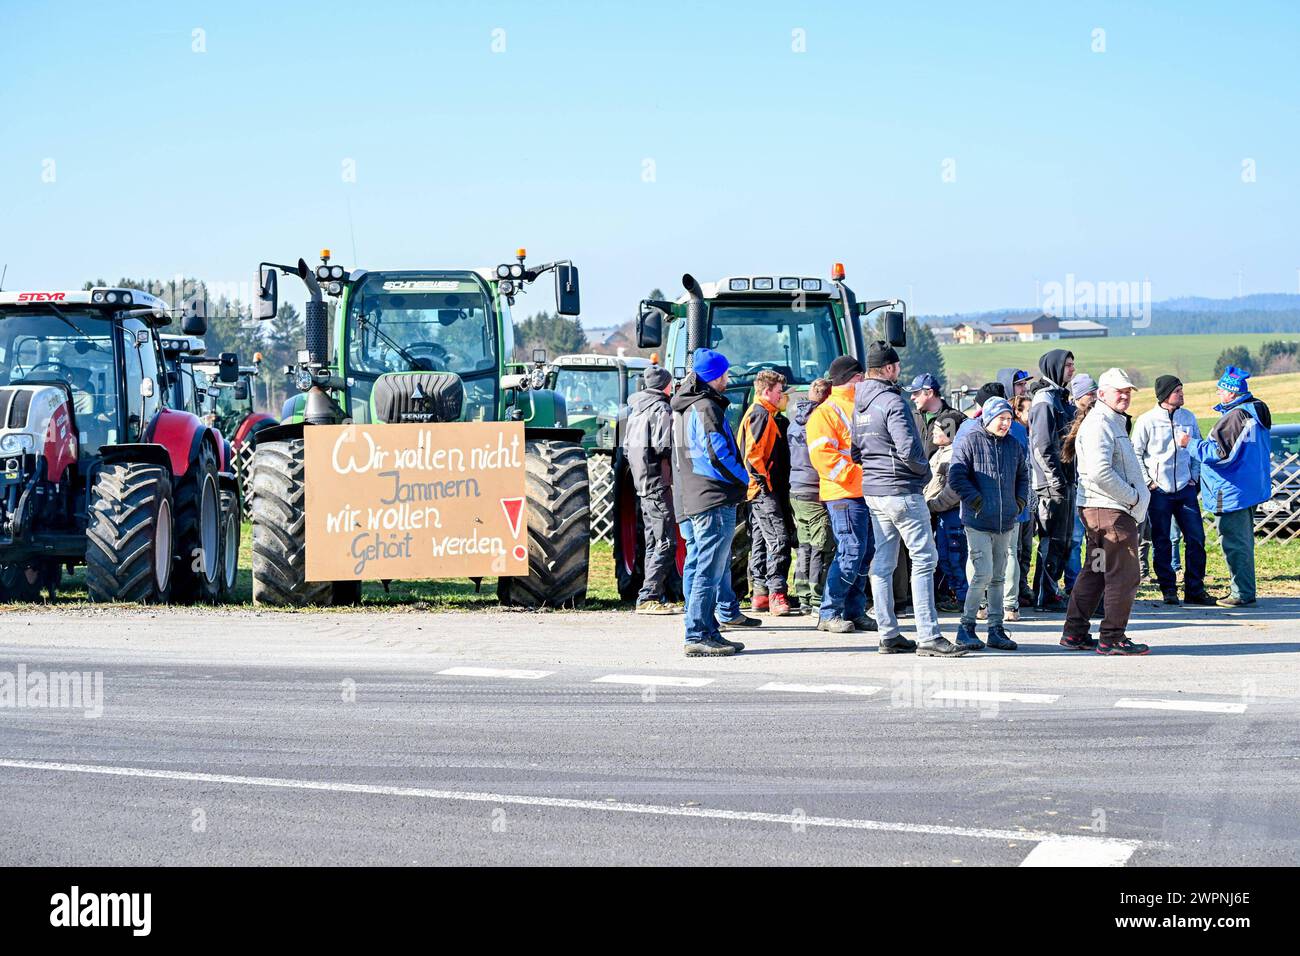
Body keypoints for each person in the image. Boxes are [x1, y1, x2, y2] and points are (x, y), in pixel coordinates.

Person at [854, 341, 966, 657]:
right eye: (897, 366)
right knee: (925, 558)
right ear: (889, 368)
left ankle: (888, 633)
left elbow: (854, 450)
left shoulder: (859, 403)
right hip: (902, 490)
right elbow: (908, 450)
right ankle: (929, 636)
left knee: (885, 561)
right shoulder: (893, 402)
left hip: (874, 491)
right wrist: (924, 476)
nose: (899, 371)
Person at [1061, 368, 1151, 654]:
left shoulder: (1109, 421)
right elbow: (1101, 472)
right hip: (1111, 513)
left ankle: (1074, 633)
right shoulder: (1101, 423)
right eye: (1118, 391)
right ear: (1102, 394)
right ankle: (1112, 638)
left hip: (1102, 511)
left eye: (1127, 391)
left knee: (1097, 571)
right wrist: (1133, 498)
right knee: (1124, 574)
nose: (1124, 395)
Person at [670, 347, 751, 657]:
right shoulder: (706, 407)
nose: (728, 379)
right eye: (725, 374)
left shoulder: (685, 406)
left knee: (697, 565)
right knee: (710, 568)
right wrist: (745, 478)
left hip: (693, 495)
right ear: (714, 376)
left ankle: (704, 628)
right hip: (712, 497)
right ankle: (698, 633)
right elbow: (717, 453)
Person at [1182, 365, 1273, 608]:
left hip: (1230, 490)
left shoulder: (1235, 417)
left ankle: (1241, 592)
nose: (1218, 393)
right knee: (1242, 541)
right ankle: (1244, 588)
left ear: (1231, 393)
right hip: (1247, 487)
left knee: (1234, 543)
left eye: (1220, 389)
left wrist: (1189, 443)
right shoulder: (1255, 410)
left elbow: (1219, 453)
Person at [948, 396, 1028, 651]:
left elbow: (1023, 476)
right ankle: (966, 627)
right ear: (988, 418)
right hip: (977, 521)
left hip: (1005, 521)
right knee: (982, 574)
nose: (1005, 424)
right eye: (1001, 419)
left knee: (998, 577)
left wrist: (1019, 503)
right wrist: (977, 502)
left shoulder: (1013, 445)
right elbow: (957, 476)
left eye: (1008, 419)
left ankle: (996, 629)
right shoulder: (970, 441)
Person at [1132, 374, 1215, 606]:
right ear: (1165, 394)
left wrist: (1195, 476)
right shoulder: (1147, 421)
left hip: (1185, 488)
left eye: (1182, 389)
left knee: (1196, 538)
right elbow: (1136, 453)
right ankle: (1168, 589)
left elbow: (1197, 446)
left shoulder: (1188, 417)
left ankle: (1195, 589)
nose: (1182, 394)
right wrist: (1149, 481)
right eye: (1178, 390)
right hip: (1159, 491)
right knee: (1161, 541)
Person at [807, 356, 876, 635]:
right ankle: (829, 612)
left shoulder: (859, 407)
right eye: (863, 377)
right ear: (855, 378)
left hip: (864, 492)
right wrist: (860, 475)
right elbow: (823, 457)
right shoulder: (826, 413)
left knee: (865, 552)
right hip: (844, 494)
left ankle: (854, 611)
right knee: (851, 552)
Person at [622, 365, 678, 613]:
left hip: (641, 483)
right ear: (665, 384)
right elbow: (664, 446)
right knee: (666, 541)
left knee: (653, 541)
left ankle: (654, 594)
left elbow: (626, 449)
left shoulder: (634, 411)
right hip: (658, 482)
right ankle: (649, 597)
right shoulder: (661, 409)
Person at [740, 369, 793, 615]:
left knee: (761, 540)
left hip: (759, 489)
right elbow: (753, 454)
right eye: (779, 391)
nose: (781, 396)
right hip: (763, 490)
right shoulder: (761, 415)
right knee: (779, 539)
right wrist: (764, 484)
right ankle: (777, 593)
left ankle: (760, 593)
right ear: (766, 391)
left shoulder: (763, 413)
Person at [1028, 349, 1077, 611]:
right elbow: (1042, 446)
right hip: (1051, 485)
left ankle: (1050, 591)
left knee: (1064, 541)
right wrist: (1055, 479)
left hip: (1066, 480)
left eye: (1073, 365)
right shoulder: (1045, 399)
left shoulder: (1062, 398)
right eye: (1068, 365)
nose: (1072, 369)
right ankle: (1044, 595)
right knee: (1052, 541)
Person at [788, 378, 836, 610]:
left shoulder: (793, 421)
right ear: (827, 397)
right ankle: (818, 597)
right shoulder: (820, 421)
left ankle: (803, 593)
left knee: (805, 544)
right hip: (815, 488)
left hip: (795, 488)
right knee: (822, 545)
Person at [925, 415, 966, 612]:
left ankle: (963, 598)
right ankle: (956, 594)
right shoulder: (939, 453)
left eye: (939, 429)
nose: (934, 431)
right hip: (942, 514)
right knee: (945, 557)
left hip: (952, 514)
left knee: (955, 557)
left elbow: (954, 491)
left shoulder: (954, 455)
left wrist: (932, 506)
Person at [1062, 373, 1097, 595]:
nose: (1094, 397)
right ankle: (1074, 585)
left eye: (1096, 392)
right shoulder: (1068, 419)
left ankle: (1095, 585)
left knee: (1096, 542)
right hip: (1076, 488)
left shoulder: (1103, 418)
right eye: (1090, 393)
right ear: (1078, 397)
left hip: (1097, 491)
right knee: (1075, 540)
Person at [905, 372, 958, 457]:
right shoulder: (911, 417)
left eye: (916, 393)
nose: (912, 397)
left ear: (929, 393)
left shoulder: (954, 419)